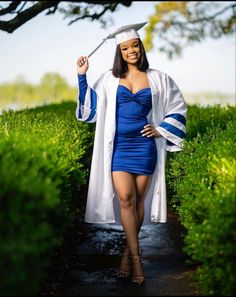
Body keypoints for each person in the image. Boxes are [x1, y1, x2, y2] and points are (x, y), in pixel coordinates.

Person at [76, 22, 187, 285]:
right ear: (120, 52)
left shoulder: (158, 78)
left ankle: (127, 251)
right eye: (125, 48)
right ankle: (137, 259)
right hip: (118, 148)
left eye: (135, 46)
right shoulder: (110, 78)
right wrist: (82, 76)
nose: (131, 51)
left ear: (140, 47)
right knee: (125, 198)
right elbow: (90, 110)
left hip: (144, 147)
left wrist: (160, 130)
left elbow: (178, 107)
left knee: (137, 202)